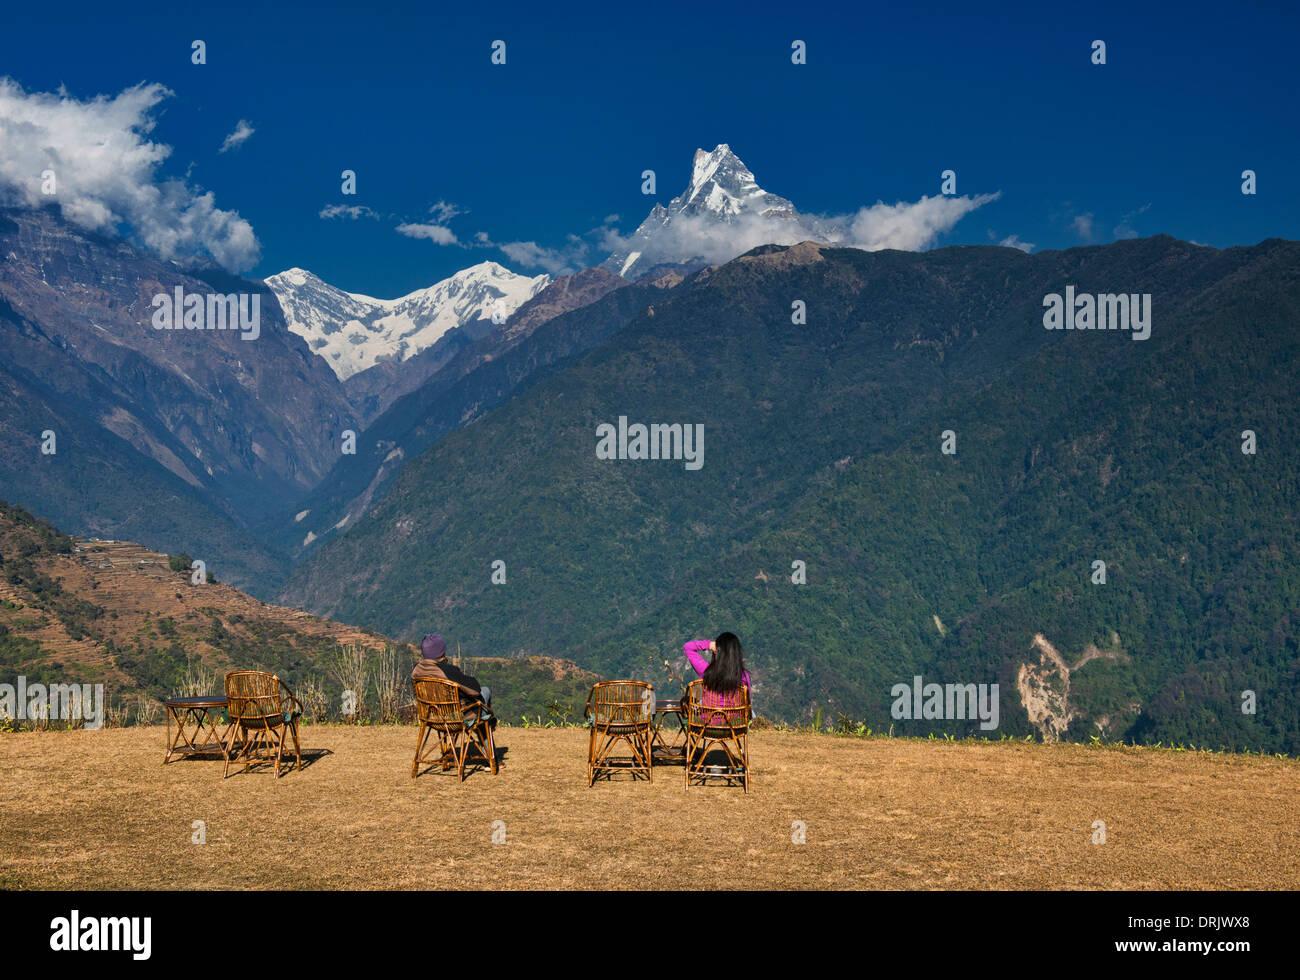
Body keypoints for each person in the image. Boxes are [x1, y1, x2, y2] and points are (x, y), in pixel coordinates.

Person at [411, 633, 495, 727]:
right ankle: (487, 737)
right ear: (442, 652)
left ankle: (487, 736)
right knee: (485, 691)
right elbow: (475, 691)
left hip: (431, 717)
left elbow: (416, 694)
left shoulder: (416, 671)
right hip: (455, 718)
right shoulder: (447, 671)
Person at [683, 632, 751, 709]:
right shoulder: (743, 675)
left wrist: (709, 644)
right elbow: (747, 702)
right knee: (752, 712)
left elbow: (688, 647)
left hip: (709, 719)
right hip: (734, 720)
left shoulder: (706, 671)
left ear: (717, 650)